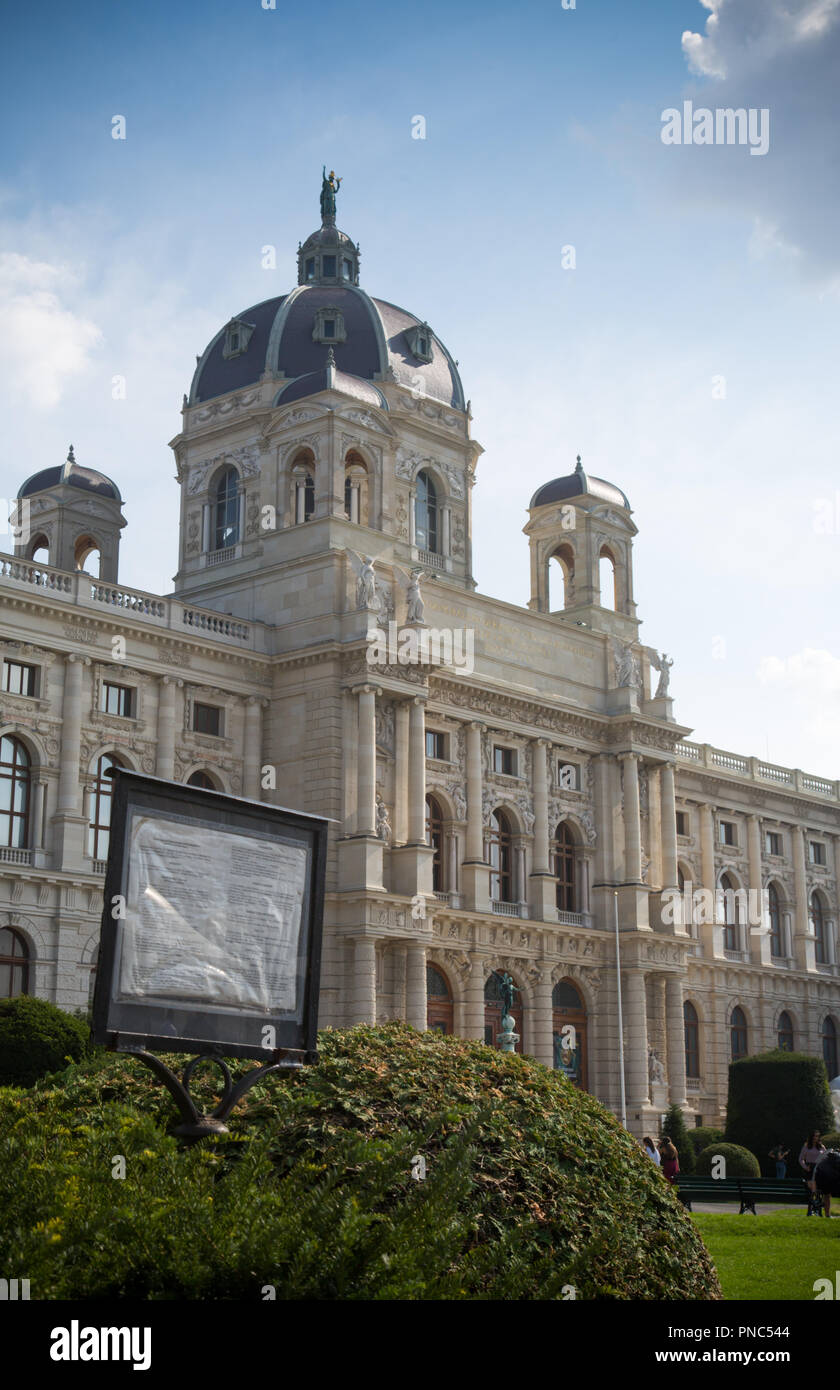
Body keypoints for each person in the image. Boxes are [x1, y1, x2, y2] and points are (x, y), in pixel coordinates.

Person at [799, 1131, 827, 1209]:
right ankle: (815, 1203)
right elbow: (800, 1159)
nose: (816, 1138)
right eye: (814, 1136)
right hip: (809, 1168)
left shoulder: (821, 1146)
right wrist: (805, 1167)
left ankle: (816, 1203)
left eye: (817, 1136)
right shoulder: (806, 1146)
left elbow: (826, 1157)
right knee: (812, 1189)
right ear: (811, 1137)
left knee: (818, 1189)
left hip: (819, 1168)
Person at [813, 1149, 840, 1219]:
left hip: (821, 1178)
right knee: (827, 1195)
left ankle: (827, 1214)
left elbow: (816, 1167)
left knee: (826, 1195)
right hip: (832, 1179)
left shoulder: (825, 1157)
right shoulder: (837, 1158)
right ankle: (826, 1213)